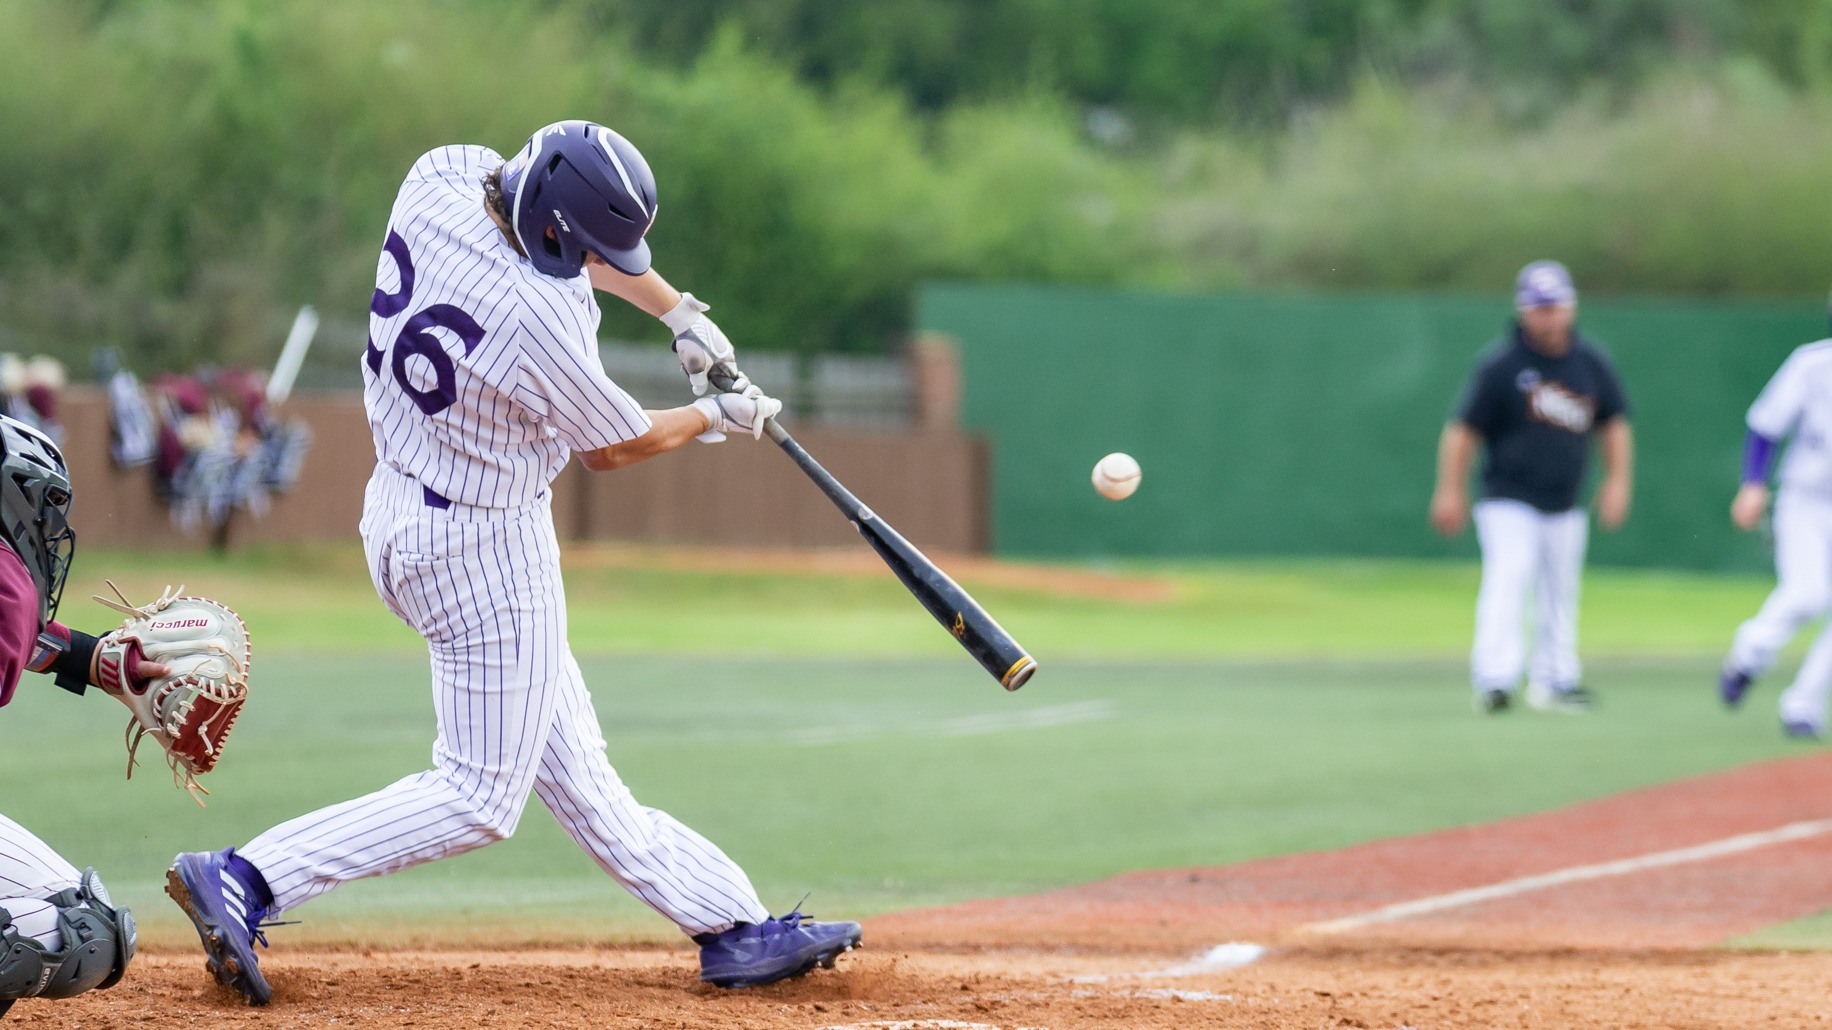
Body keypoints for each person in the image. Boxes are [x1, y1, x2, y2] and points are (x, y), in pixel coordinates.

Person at [164, 120, 861, 1005]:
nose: (600, 260)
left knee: (577, 770)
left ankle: (732, 928)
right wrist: (720, 416)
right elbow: (616, 443)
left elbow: (570, 242)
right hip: (484, 549)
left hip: (404, 508)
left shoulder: (441, 175)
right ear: (553, 228)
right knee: (481, 796)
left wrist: (679, 313)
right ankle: (249, 875)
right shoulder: (537, 319)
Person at [0, 416, 157, 1017]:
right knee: (86, 930)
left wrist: (97, 661)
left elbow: (28, 637)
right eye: (44, 506)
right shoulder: (9, 583)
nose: (49, 527)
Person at [1429, 260, 1634, 714]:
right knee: (1511, 573)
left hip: (1565, 500)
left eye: (1555, 306)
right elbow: (1463, 430)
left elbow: (1613, 424)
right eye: (1539, 308)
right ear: (1523, 310)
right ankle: (1496, 677)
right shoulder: (1502, 364)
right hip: (1508, 496)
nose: (1548, 316)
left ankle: (1556, 679)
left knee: (1560, 589)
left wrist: (1618, 481)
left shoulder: (1589, 362)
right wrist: (1449, 489)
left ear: (1571, 307)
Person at [1718, 335, 1832, 739]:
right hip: (1807, 500)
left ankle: (1804, 705)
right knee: (1808, 594)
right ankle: (1748, 655)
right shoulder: (1812, 362)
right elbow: (1766, 423)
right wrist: (1753, 482)